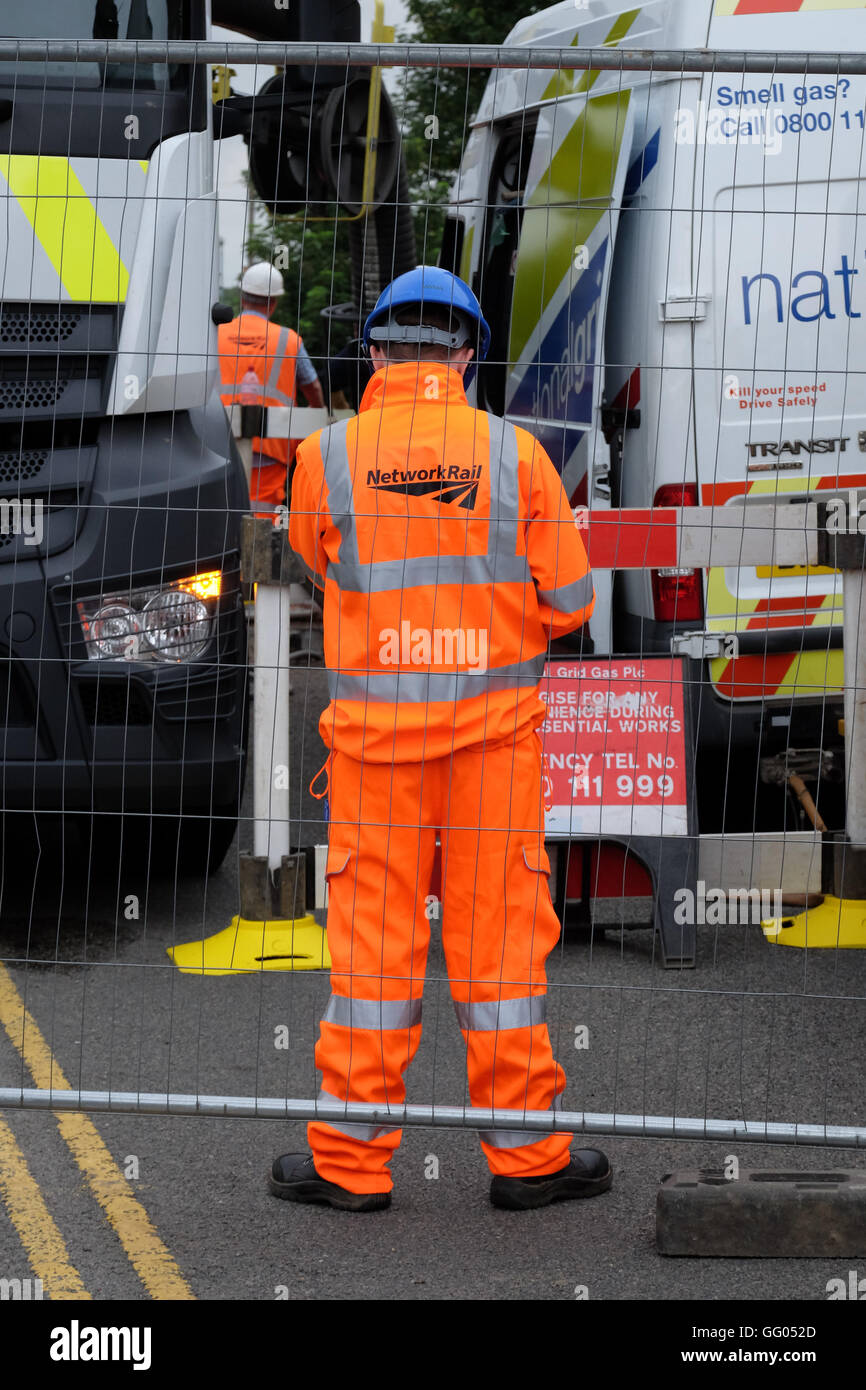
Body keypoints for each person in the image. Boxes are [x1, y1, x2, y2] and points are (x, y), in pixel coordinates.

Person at [274, 266, 611, 1212]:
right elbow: (573, 603)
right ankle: (528, 1159)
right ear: (466, 354)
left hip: (375, 756)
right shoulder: (518, 457)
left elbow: (314, 561)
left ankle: (351, 1165)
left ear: (375, 351)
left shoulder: (327, 457)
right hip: (493, 755)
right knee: (501, 951)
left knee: (372, 960)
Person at [218, 262, 325, 519]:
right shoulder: (289, 340)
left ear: (242, 299)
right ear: (273, 303)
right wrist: (316, 413)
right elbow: (313, 386)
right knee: (261, 520)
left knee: (219, 509)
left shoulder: (215, 334)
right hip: (271, 446)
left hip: (218, 441)